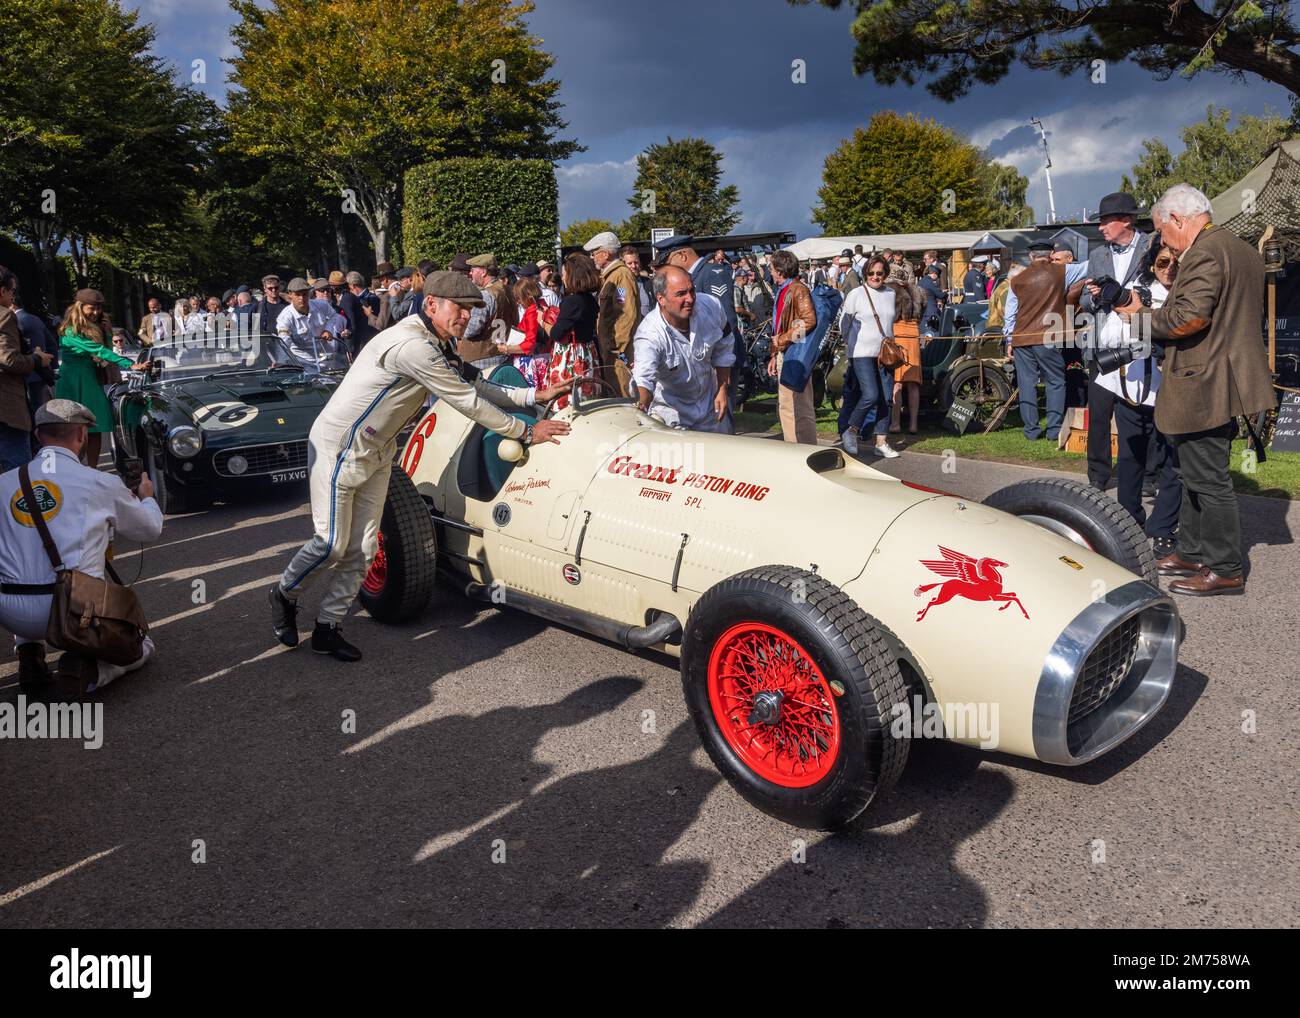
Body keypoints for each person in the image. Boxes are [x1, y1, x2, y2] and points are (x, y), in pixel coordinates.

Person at [268, 272, 572, 660]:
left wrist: (535, 393)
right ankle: (284, 594)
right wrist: (525, 432)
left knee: (362, 550)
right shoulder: (413, 346)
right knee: (331, 544)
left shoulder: (436, 342)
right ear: (431, 305)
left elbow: (475, 382)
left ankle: (328, 626)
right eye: (458, 309)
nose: (465, 317)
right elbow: (467, 401)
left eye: (470, 310)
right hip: (339, 448)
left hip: (377, 450)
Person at [1115, 183, 1275, 596]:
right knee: (1190, 471)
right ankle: (1191, 550)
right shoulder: (1239, 248)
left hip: (1205, 380)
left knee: (1207, 477)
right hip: (1224, 374)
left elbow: (1190, 319)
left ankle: (1224, 567)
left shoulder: (1204, 252)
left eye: (1163, 231)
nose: (1163, 241)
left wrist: (1138, 317)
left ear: (1178, 220)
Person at [0, 399, 162, 693]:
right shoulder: (99, 482)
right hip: (74, 612)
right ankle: (90, 672)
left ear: (37, 436)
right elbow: (149, 529)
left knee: (24, 555)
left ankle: (28, 653)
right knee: (143, 646)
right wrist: (146, 497)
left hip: (11, 612)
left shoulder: (3, 483)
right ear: (82, 435)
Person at [1092, 243, 1182, 558]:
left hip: (1173, 392)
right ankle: (1129, 523)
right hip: (1131, 386)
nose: (1169, 268)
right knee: (1130, 460)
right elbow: (1108, 339)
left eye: (1175, 262)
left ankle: (1163, 531)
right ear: (1151, 263)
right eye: (1163, 261)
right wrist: (1141, 329)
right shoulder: (1135, 292)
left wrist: (1150, 330)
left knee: (1171, 463)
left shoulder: (1188, 294)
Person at [1082, 192, 1154, 491]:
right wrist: (1095, 297)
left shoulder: (1152, 246)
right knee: (1099, 414)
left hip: (1141, 338)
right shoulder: (1098, 255)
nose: (1101, 228)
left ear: (1126, 220)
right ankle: (1098, 475)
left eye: (1105, 221)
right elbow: (1084, 300)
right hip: (1104, 342)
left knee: (1143, 412)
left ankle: (1149, 476)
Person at [1003, 241, 1091, 440]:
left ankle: (1031, 431)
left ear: (1031, 256)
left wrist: (1009, 340)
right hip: (1049, 336)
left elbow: (1010, 313)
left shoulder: (1016, 279)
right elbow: (1088, 265)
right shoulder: (1063, 272)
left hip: (1022, 337)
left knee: (1026, 384)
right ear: (1051, 254)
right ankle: (1054, 430)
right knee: (1056, 381)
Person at [632, 266, 734, 433]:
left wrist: (722, 389)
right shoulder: (650, 334)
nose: (690, 298)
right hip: (672, 418)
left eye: (691, 290)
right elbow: (643, 380)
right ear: (661, 298)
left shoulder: (711, 306)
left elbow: (725, 346)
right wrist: (638, 413)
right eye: (681, 294)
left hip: (710, 410)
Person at [53, 290, 147, 467]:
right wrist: (130, 364)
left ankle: (92, 469)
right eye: (91, 308)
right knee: (73, 428)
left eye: (99, 309)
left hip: (89, 378)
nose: (96, 313)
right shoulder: (70, 331)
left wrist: (107, 332)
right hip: (73, 380)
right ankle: (75, 470)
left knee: (95, 427)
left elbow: (104, 349)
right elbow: (99, 351)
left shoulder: (92, 326)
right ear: (80, 307)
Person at [838, 257, 900, 458]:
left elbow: (890, 320)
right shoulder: (856, 294)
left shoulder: (891, 293)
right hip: (861, 353)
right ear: (865, 273)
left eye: (879, 273)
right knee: (871, 395)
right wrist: (850, 345)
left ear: (885, 274)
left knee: (886, 398)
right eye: (871, 273)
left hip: (885, 354)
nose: (875, 277)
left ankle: (881, 442)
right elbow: (843, 324)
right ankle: (851, 430)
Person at [1, 266, 55, 471]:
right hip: (6, 411)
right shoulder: (5, 315)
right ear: (2, 291)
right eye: (13, 291)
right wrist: (36, 359)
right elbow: (8, 359)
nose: (13, 296)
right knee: (18, 480)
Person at [767, 248, 818, 445]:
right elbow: (779, 323)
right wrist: (774, 354)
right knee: (787, 405)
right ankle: (793, 447)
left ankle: (804, 450)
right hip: (786, 353)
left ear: (780, 270)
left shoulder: (798, 289)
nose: (769, 271)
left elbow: (808, 320)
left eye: (771, 267)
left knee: (799, 406)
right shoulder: (785, 290)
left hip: (796, 354)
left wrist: (782, 340)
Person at [540, 253, 599, 409]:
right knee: (587, 397)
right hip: (586, 352)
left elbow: (556, 334)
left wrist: (543, 319)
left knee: (568, 401)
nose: (563, 277)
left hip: (571, 356)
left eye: (565, 273)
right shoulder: (590, 299)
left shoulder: (572, 301)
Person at [585, 231, 642, 395]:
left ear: (605, 253)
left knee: (622, 395)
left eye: (594, 253)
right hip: (612, 350)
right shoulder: (613, 275)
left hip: (618, 352)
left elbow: (625, 313)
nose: (592, 257)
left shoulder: (621, 275)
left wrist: (617, 348)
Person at [276, 277, 349, 373]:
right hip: (303, 364)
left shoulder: (322, 305)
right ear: (290, 294)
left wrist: (328, 330)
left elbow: (333, 315)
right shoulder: (285, 317)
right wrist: (280, 361)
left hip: (327, 360)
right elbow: (285, 341)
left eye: (304, 294)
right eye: (297, 295)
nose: (301, 298)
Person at [886, 263, 924, 435]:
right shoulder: (918, 291)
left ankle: (895, 423)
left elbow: (890, 316)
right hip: (914, 335)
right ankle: (914, 424)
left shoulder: (891, 292)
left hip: (898, 335)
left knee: (897, 383)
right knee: (913, 383)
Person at [495, 275, 552, 388]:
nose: (517, 301)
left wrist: (507, 349)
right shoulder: (543, 305)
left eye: (519, 298)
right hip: (544, 357)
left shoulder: (532, 312)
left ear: (528, 295)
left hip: (533, 361)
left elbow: (530, 344)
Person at [339, 271, 379, 358]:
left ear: (353, 285)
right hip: (363, 341)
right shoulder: (357, 298)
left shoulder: (371, 298)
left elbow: (377, 322)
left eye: (348, 285)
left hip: (369, 340)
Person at [622, 246, 654, 317]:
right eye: (629, 263)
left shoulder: (648, 282)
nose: (634, 266)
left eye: (636, 262)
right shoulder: (620, 286)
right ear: (623, 265)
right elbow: (619, 308)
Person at [254, 275, 290, 340]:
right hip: (265, 345)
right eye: (270, 288)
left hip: (283, 344)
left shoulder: (287, 307)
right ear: (265, 289)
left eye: (276, 288)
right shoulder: (258, 307)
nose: (273, 290)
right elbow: (255, 328)